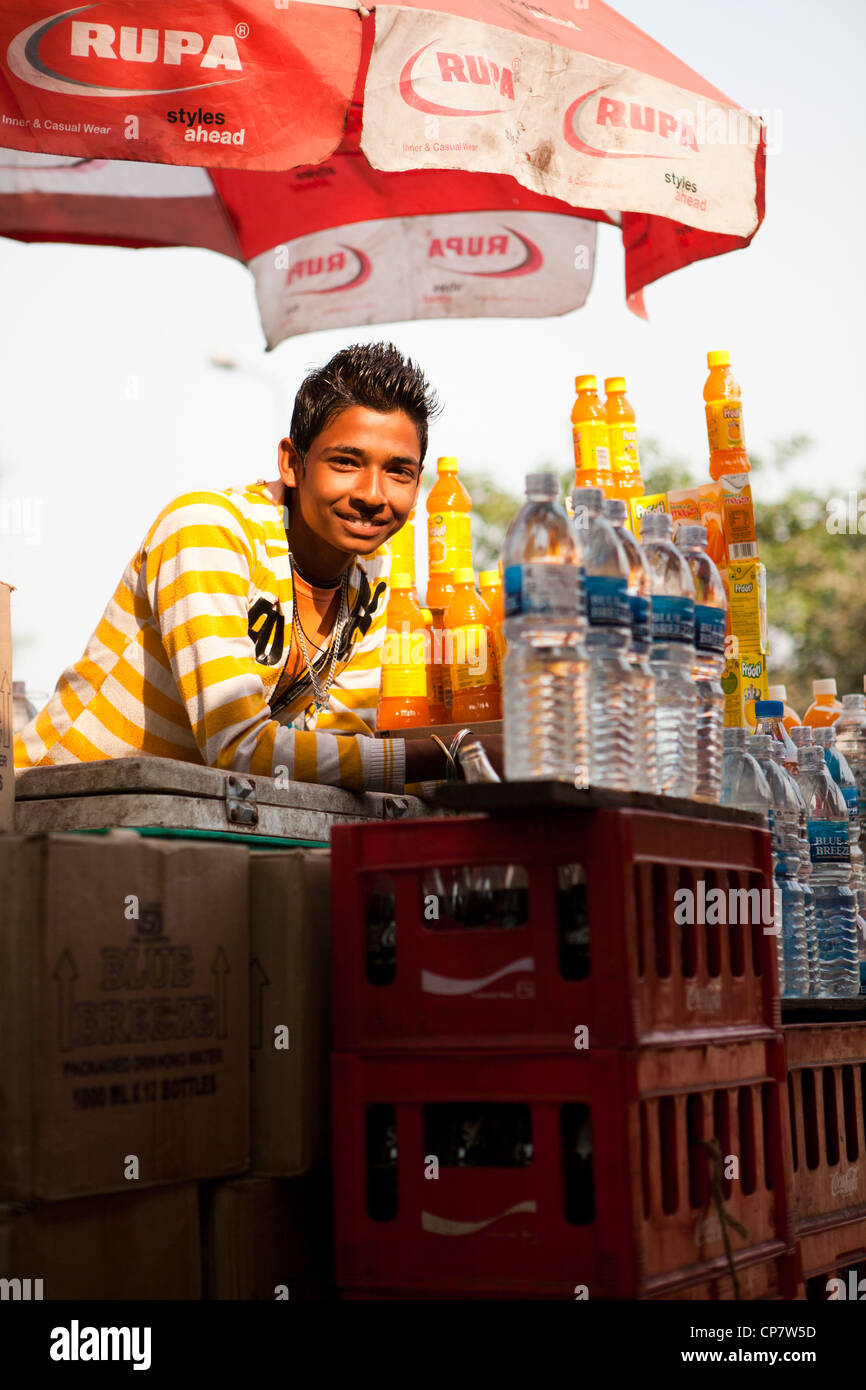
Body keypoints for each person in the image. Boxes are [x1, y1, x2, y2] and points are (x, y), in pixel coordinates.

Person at [14, 341, 502, 792]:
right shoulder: (208, 531)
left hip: (181, 818)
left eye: (399, 471)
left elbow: (346, 741)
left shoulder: (371, 571)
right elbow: (238, 748)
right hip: (59, 811)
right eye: (347, 462)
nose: (373, 496)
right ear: (292, 463)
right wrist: (449, 755)